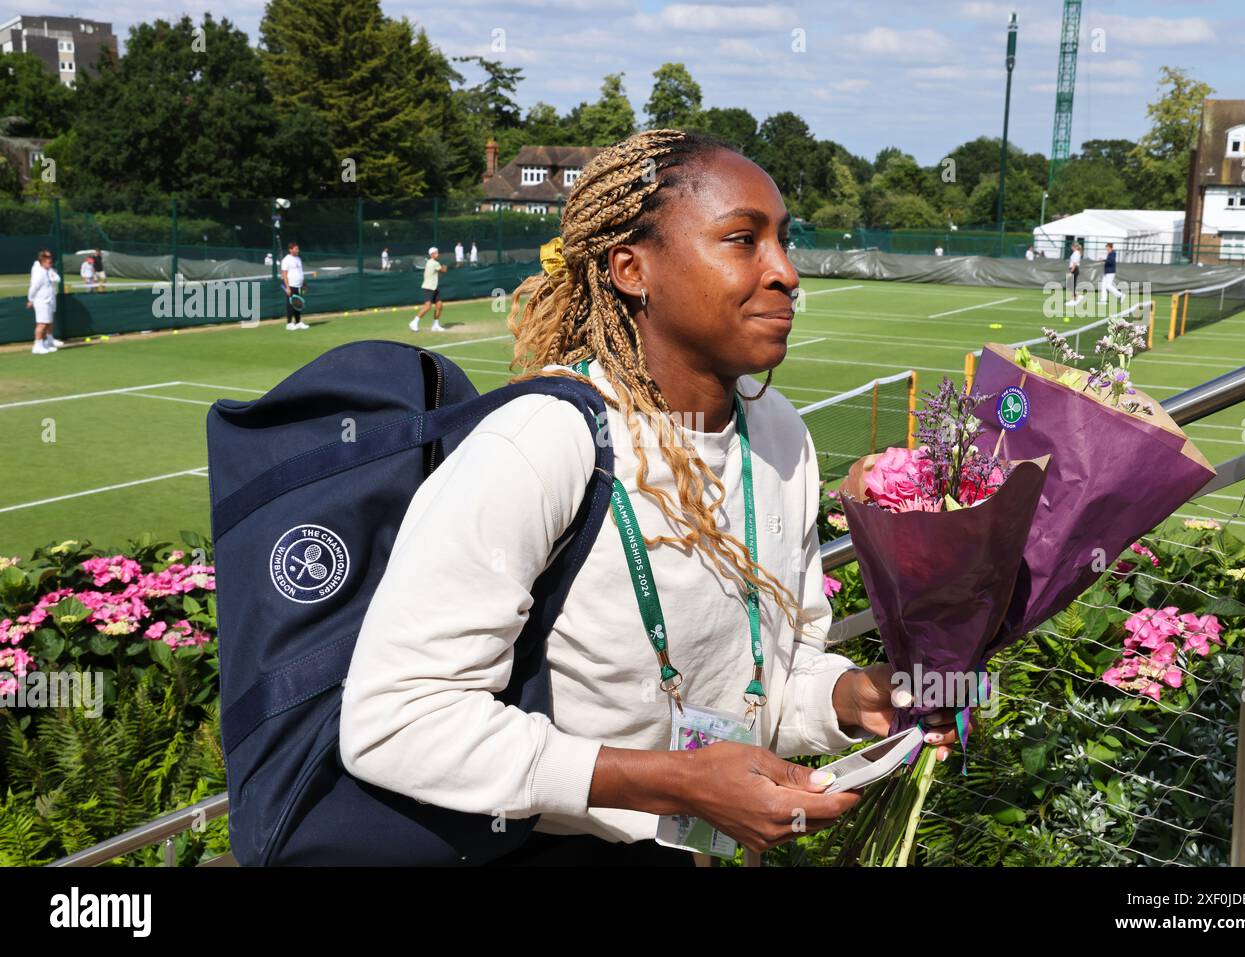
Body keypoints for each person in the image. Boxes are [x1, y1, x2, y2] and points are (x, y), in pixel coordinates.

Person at [340, 129, 958, 867]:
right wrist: (675, 783)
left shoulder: (780, 433)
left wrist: (852, 698)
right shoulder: (543, 440)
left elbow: (769, 687)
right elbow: (392, 721)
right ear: (632, 269)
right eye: (742, 240)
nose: (787, 273)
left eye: (784, 242)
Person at [26, 249, 63, 355]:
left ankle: (43, 344)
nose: (50, 262)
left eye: (50, 260)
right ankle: (37, 346)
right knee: (41, 324)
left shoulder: (47, 271)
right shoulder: (40, 273)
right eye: (48, 260)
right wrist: (30, 300)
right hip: (41, 301)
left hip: (48, 300)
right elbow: (33, 288)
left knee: (46, 324)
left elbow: (56, 279)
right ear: (42, 260)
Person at [409, 246, 447, 332]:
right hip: (429, 288)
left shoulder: (430, 263)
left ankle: (435, 325)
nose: (438, 254)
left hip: (434, 287)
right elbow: (443, 270)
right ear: (432, 254)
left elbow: (437, 274)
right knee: (427, 307)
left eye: (438, 252)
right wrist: (445, 267)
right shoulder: (434, 263)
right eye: (436, 253)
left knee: (439, 305)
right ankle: (414, 322)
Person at [281, 241, 309, 330]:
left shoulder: (298, 259)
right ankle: (289, 324)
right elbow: (284, 274)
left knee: (298, 305)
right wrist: (287, 287)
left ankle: (298, 322)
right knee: (290, 305)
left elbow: (300, 272)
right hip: (291, 285)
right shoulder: (286, 260)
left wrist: (304, 284)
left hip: (299, 285)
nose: (298, 250)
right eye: (296, 249)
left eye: (298, 248)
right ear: (290, 250)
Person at [1101, 242, 1125, 308]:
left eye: (1106, 247)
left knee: (1108, 286)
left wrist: (1104, 260)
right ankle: (1103, 300)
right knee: (1103, 286)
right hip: (1106, 272)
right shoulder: (1109, 253)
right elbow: (1108, 261)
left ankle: (1120, 295)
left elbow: (1111, 262)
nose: (1106, 248)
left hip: (1110, 272)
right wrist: (1105, 260)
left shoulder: (1113, 253)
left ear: (1109, 247)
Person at [1066, 242, 1083, 306]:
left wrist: (1071, 272)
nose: (1071, 247)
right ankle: (1077, 296)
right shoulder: (1076, 253)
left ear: (1075, 247)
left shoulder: (1076, 253)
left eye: (1072, 246)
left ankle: (1074, 299)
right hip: (1074, 269)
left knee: (1071, 285)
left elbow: (1074, 263)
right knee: (1072, 285)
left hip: (1074, 269)